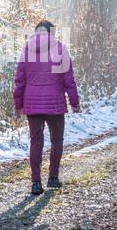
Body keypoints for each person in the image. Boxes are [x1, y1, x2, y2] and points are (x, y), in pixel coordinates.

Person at [13, 20, 80, 196]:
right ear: (52, 32)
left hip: (32, 104)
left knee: (36, 141)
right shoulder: (60, 49)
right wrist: (74, 102)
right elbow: (69, 79)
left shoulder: (27, 50)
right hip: (55, 104)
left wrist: (18, 104)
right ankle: (53, 178)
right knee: (56, 140)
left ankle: (36, 183)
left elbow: (19, 80)